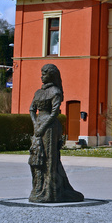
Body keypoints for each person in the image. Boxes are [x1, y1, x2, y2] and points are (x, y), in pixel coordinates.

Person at [28, 64, 83, 203]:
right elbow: (31, 109)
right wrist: (35, 124)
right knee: (37, 158)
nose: (41, 76)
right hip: (39, 125)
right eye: (41, 73)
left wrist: (42, 127)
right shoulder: (38, 93)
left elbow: (54, 113)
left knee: (50, 158)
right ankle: (38, 188)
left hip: (51, 128)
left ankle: (51, 192)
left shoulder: (55, 91)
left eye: (44, 74)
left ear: (51, 75)